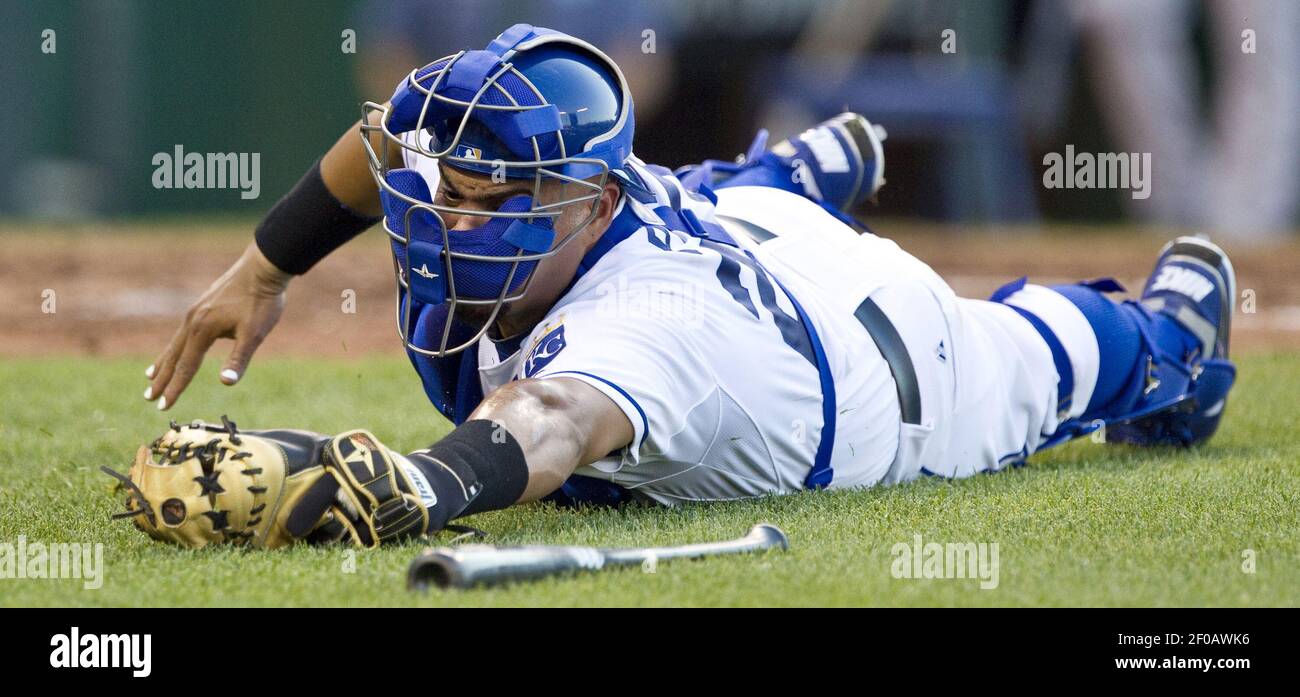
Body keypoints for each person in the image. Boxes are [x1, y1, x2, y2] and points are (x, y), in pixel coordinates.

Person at [128, 24, 1236, 547]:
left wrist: (417, 488)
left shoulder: (641, 325)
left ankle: (1171, 332)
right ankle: (789, 177)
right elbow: (381, 144)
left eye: (494, 196)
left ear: (591, 202)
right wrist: (265, 264)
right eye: (450, 186)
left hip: (892, 377)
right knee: (719, 195)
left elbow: (547, 420)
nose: (455, 215)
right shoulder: (575, 195)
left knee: (1073, 350)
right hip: (722, 223)